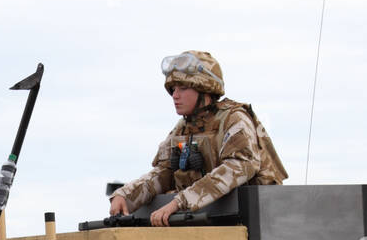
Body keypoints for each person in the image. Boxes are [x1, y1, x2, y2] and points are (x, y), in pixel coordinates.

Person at [109, 50, 287, 226]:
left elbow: (240, 165)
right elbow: (165, 172)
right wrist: (126, 195)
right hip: (209, 220)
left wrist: (180, 202)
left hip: (258, 222)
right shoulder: (182, 129)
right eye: (173, 89)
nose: (175, 96)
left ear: (205, 90)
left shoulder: (234, 119)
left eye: (183, 88)